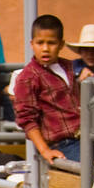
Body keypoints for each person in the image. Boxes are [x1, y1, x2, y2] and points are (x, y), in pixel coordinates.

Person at [14, 15, 82, 164]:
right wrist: (45, 150)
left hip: (85, 137)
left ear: (61, 44)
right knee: (91, 177)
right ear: (32, 44)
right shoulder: (28, 77)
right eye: (40, 43)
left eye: (51, 43)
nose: (45, 48)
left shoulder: (69, 67)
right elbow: (26, 119)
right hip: (63, 144)